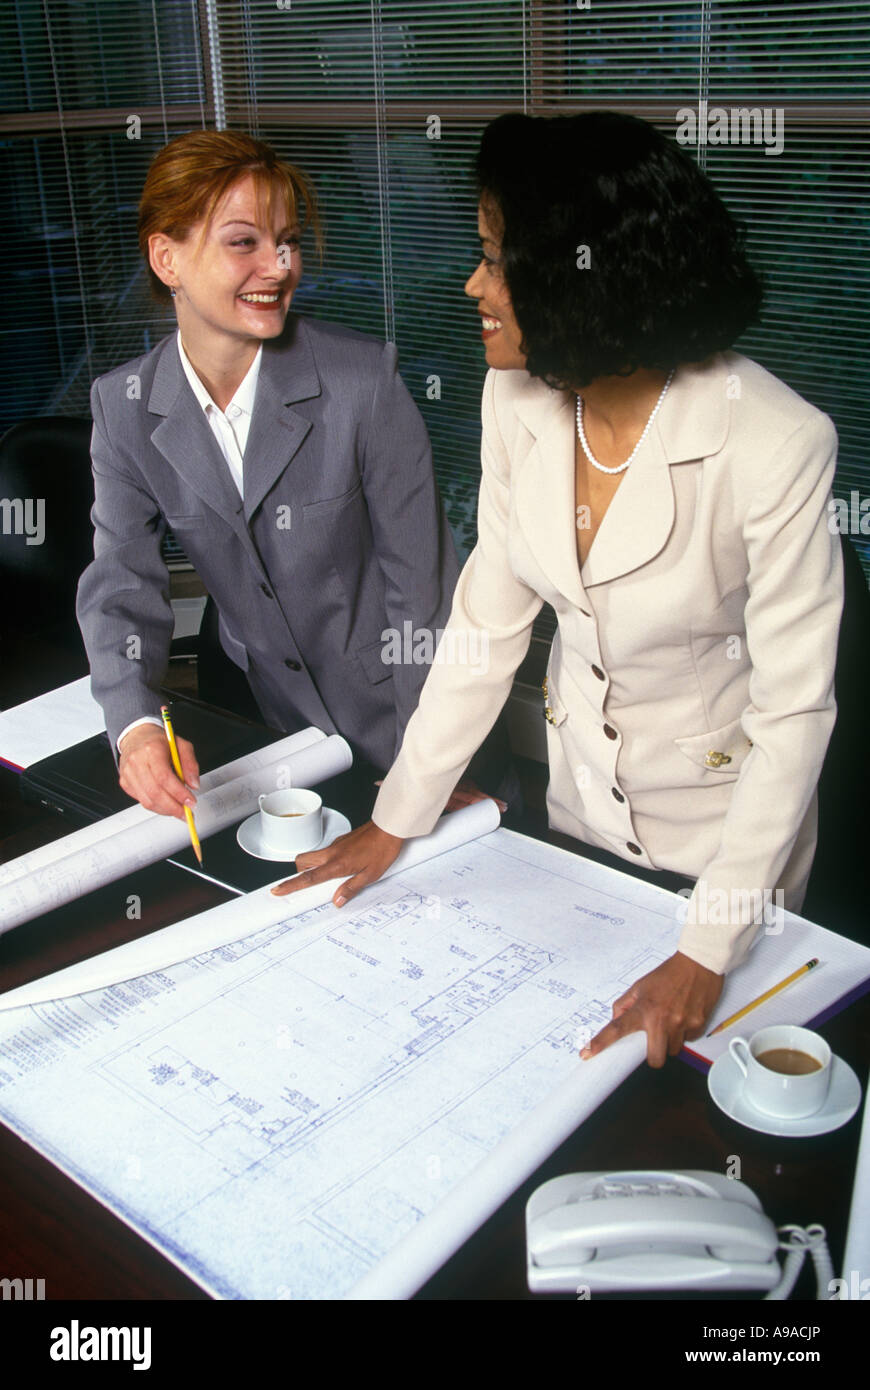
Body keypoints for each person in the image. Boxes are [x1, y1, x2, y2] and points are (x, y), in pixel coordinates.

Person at [272, 112, 844, 1068]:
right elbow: (485, 628)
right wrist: (396, 815)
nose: (473, 286)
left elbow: (794, 713)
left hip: (725, 856)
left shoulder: (777, 443)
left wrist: (705, 951)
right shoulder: (518, 396)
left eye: (497, 260)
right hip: (577, 821)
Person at [76, 130, 460, 817]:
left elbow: (424, 602)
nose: (279, 266)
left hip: (414, 730)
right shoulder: (123, 406)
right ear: (167, 258)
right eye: (243, 242)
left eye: (287, 241)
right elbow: (121, 585)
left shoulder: (362, 383)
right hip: (281, 744)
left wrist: (422, 777)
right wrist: (135, 729)